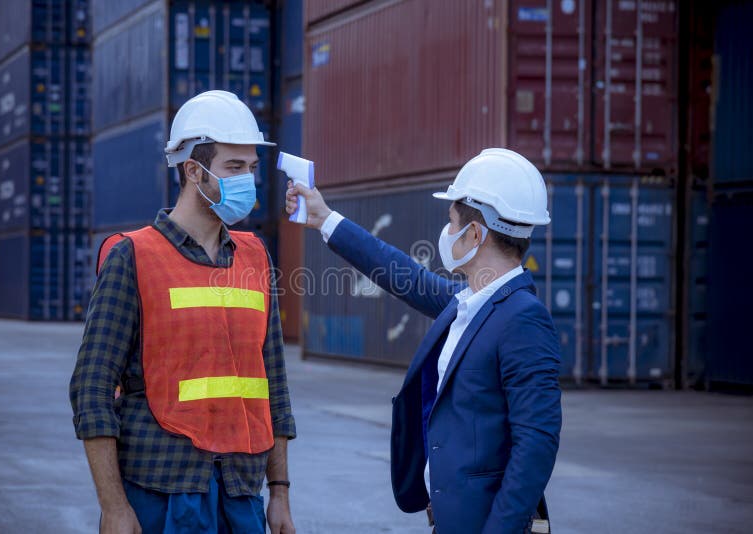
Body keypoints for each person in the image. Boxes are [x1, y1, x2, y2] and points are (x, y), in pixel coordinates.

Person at [286, 148, 562, 534]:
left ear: (475, 234)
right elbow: (405, 276)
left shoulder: (523, 319)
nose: (447, 232)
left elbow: (536, 445)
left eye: (451, 222)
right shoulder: (470, 301)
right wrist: (325, 219)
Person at [70, 91, 296, 534]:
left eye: (252, 168)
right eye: (234, 167)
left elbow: (273, 383)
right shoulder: (133, 257)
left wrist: (280, 493)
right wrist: (114, 507)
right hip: (160, 493)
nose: (248, 180)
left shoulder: (255, 257)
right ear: (193, 170)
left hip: (241, 493)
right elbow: (91, 388)